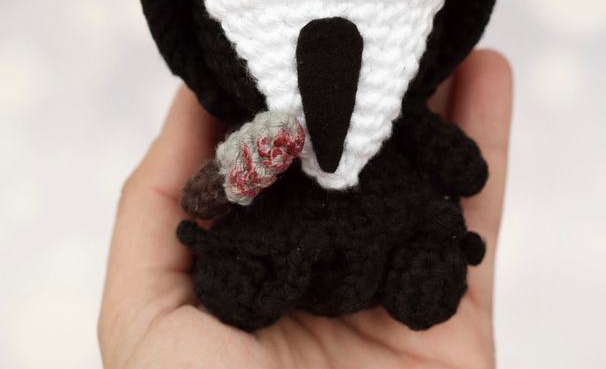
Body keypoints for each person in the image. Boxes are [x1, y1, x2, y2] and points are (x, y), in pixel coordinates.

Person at [99, 49, 512, 368]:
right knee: (230, 279)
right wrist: (236, 173)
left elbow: (466, 170)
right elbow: (203, 195)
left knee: (428, 273)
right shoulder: (266, 128)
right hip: (281, 247)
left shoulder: (393, 110)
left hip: (390, 242)